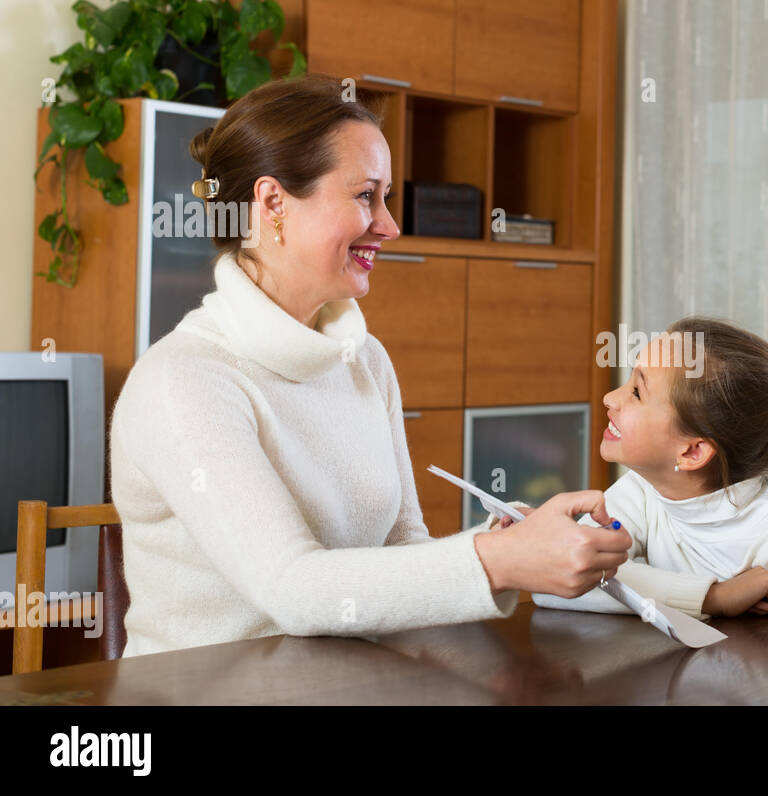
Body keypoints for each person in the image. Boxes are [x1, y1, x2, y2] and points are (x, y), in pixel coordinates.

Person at [109, 74, 632, 657]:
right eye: (365, 196)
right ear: (272, 202)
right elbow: (290, 587)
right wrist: (497, 562)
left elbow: (401, 543)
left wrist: (503, 541)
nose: (391, 225)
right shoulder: (184, 380)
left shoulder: (365, 362)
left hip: (343, 682)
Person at [529, 317, 768, 619]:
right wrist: (713, 597)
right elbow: (552, 579)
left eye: (637, 392)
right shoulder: (640, 492)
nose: (610, 398)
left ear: (693, 452)